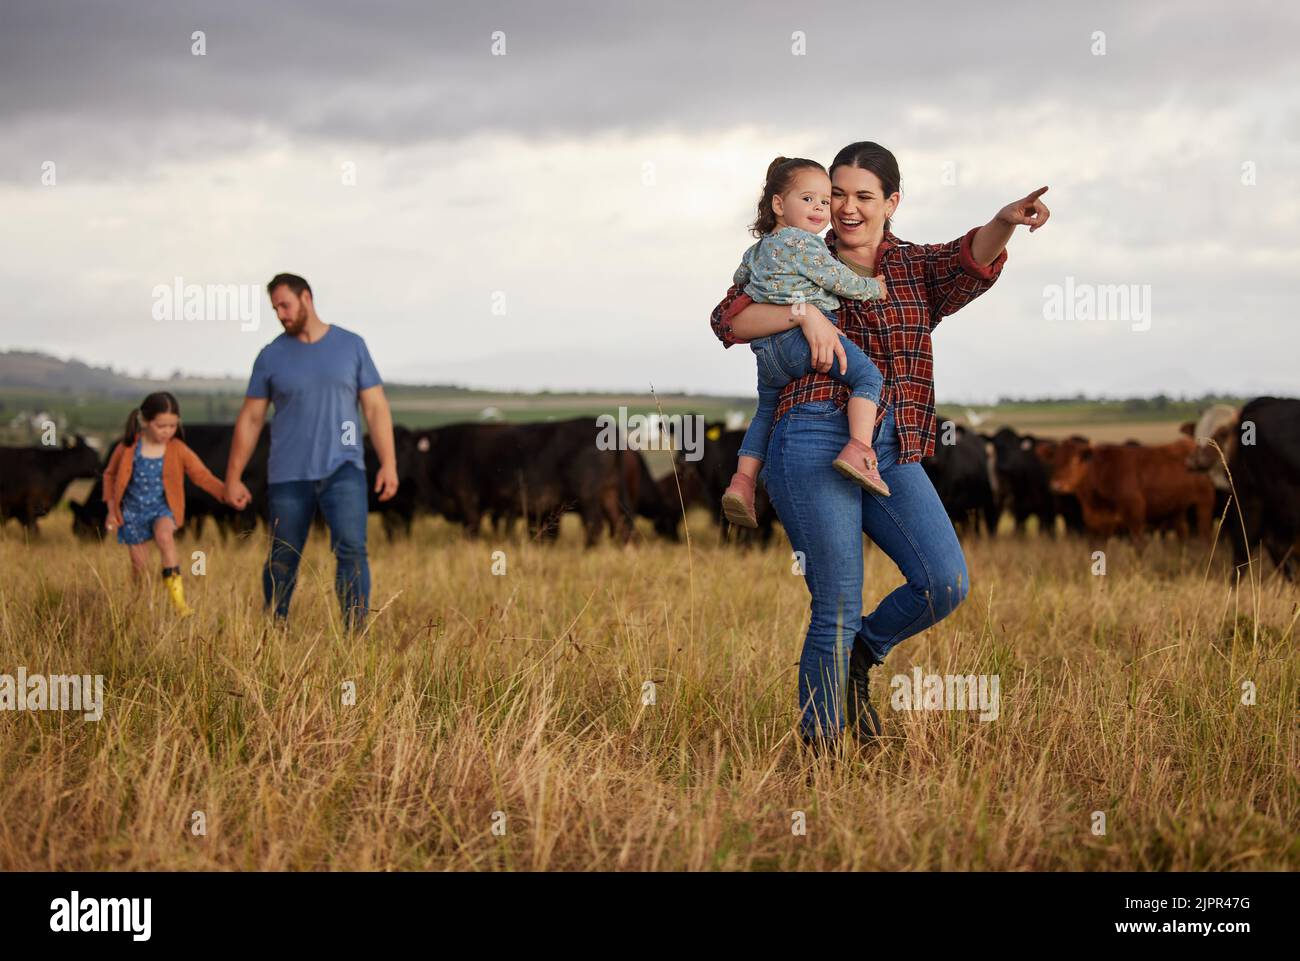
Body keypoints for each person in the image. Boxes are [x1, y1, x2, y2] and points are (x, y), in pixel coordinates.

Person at [709, 141, 1050, 752]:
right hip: (813, 434)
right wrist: (802, 314)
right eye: (836, 193)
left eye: (863, 196)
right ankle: (822, 755)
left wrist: (1004, 222)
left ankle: (858, 657)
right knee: (837, 602)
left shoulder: (915, 269)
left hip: (893, 447)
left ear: (891, 203)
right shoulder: (798, 254)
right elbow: (728, 321)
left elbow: (970, 259)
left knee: (943, 582)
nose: (845, 207)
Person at [721, 156, 891, 529]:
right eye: (808, 200)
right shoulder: (807, 245)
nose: (819, 209)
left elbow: (740, 280)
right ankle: (860, 451)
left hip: (767, 351)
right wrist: (871, 288)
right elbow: (837, 281)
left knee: (765, 413)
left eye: (823, 202)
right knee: (868, 379)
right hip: (804, 342)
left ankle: (743, 482)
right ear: (779, 205)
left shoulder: (757, 249)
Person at [224, 273, 399, 632]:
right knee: (283, 555)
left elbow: (376, 408)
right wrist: (232, 476)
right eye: (275, 309)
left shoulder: (352, 346)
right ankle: (275, 629)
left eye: (285, 305)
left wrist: (389, 463)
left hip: (344, 469)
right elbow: (252, 418)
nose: (281, 314)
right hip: (288, 474)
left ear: (307, 298)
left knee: (352, 550)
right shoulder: (271, 356)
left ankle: (355, 634)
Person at [102, 391, 229, 617]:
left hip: (163, 508)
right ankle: (139, 605)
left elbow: (201, 474)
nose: (167, 432)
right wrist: (112, 511)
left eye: (172, 426)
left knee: (165, 537)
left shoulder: (177, 449)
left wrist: (224, 492)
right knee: (139, 566)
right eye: (161, 426)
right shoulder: (128, 448)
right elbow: (109, 475)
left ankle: (179, 603)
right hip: (132, 513)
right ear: (145, 422)